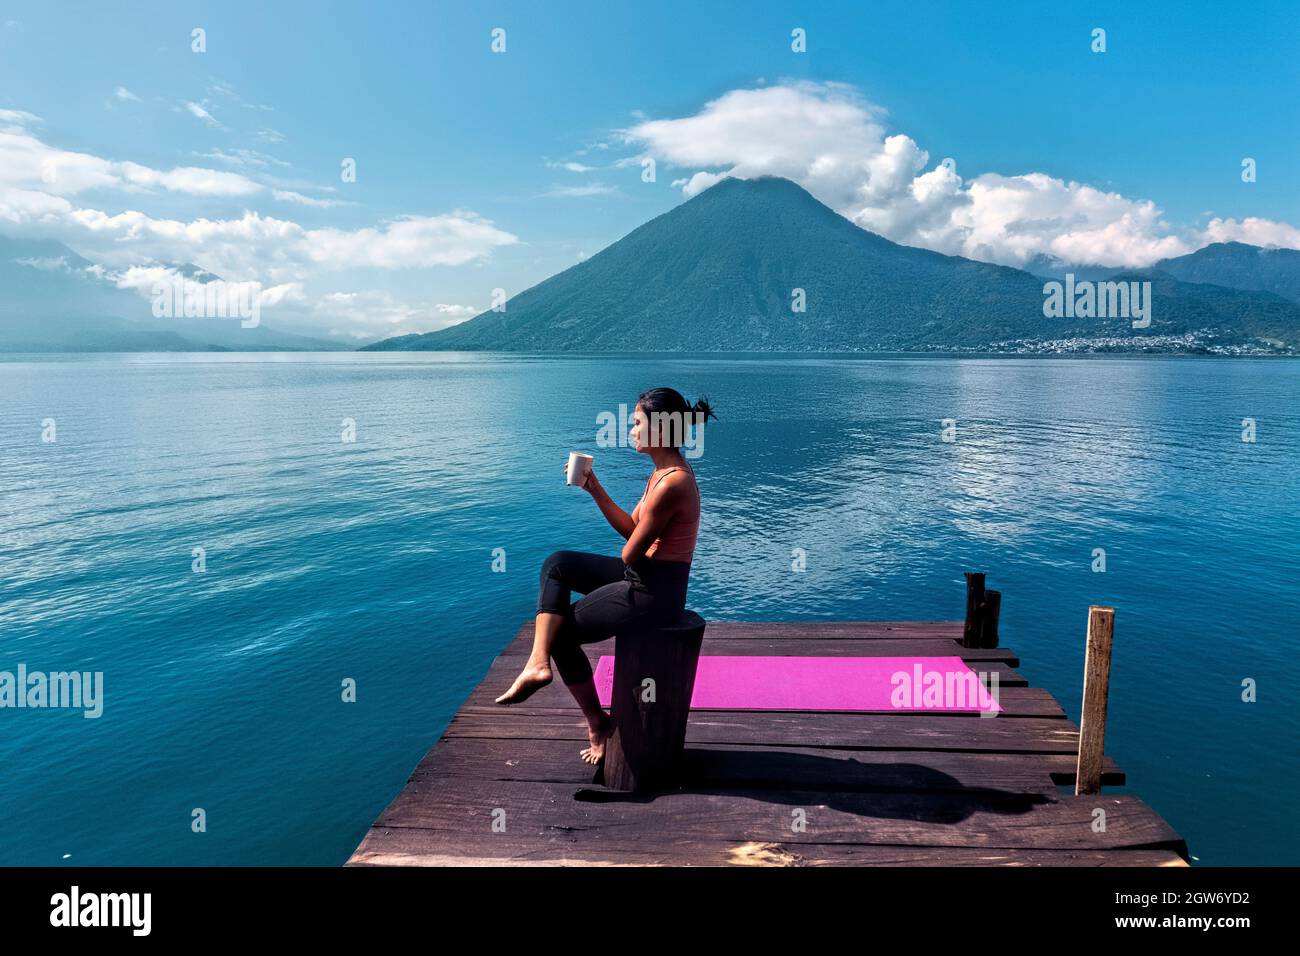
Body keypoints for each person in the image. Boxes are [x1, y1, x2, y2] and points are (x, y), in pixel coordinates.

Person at [494, 387, 716, 766]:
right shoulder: (663, 472)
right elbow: (634, 529)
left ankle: (597, 723)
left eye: (636, 422)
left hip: (654, 592)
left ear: (660, 428)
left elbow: (630, 551)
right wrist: (593, 487)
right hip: (649, 575)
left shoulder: (673, 482)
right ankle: (537, 661)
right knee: (558, 563)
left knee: (561, 635)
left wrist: (639, 545)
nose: (630, 430)